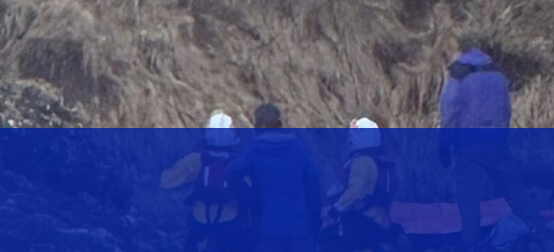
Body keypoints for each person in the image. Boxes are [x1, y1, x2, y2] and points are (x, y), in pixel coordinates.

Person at [438, 47, 536, 252]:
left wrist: (445, 144)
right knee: (512, 187)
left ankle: (469, 242)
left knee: (468, 197)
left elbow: (450, 113)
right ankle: (533, 227)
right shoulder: (498, 78)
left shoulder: (458, 78)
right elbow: (506, 110)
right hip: (496, 142)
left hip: (468, 145)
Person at [227, 103, 324, 252]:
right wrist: (315, 217)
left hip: (266, 224)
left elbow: (232, 172)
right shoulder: (297, 146)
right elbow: (313, 184)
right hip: (298, 224)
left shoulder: (254, 147)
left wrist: (248, 195)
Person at [161, 110, 251, 252]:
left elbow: (166, 181)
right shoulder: (239, 162)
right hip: (230, 220)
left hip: (200, 219)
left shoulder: (196, 159)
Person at [320, 118, 400, 252]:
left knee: (328, 242)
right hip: (376, 218)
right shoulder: (373, 160)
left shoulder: (361, 162)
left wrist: (336, 208)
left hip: (362, 219)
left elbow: (355, 190)